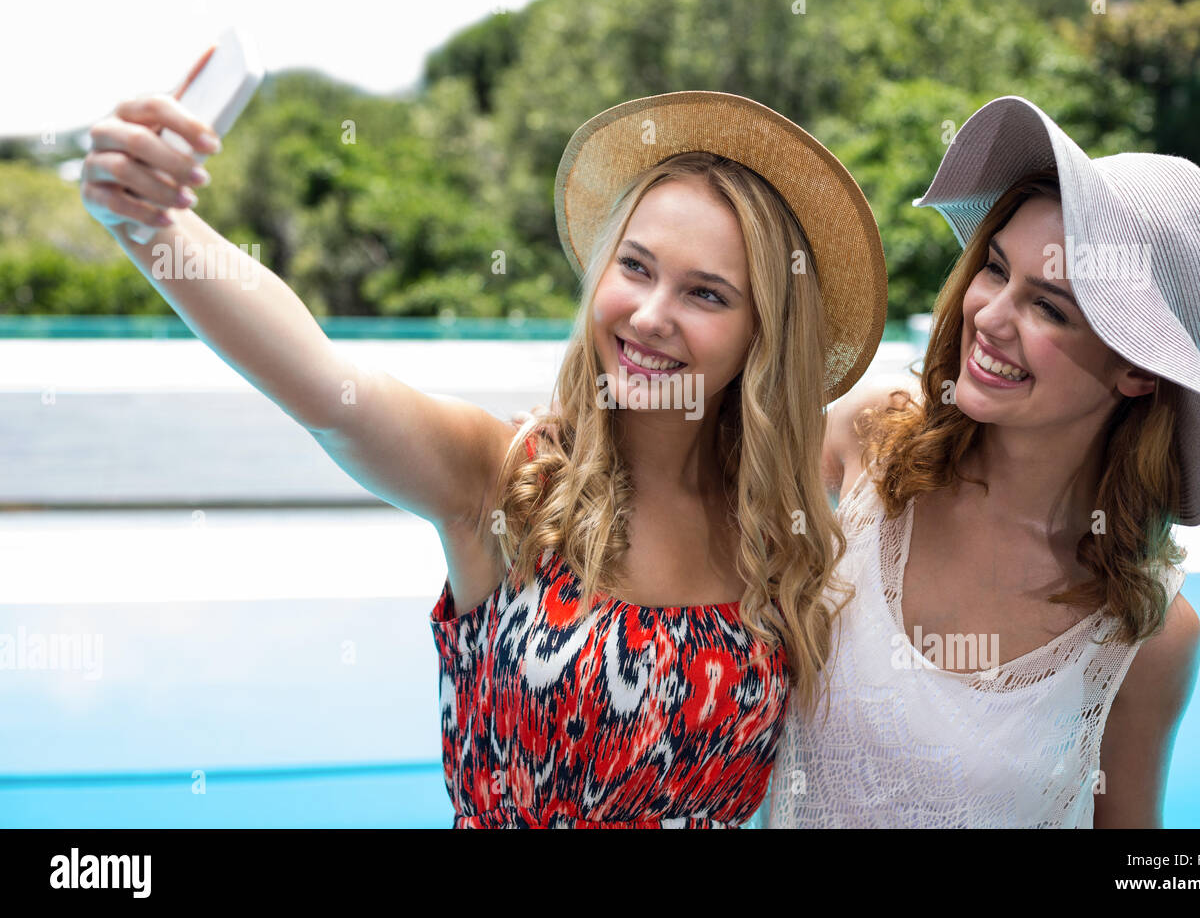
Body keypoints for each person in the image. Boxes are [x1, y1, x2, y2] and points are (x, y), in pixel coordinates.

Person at [79, 83, 890, 827]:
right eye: (634, 268)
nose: (648, 315)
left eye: (705, 293)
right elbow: (330, 389)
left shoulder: (770, 519)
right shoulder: (509, 480)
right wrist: (150, 224)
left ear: (764, 333)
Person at [767, 95, 1200, 828]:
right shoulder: (867, 440)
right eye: (995, 270)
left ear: (1139, 372)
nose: (987, 317)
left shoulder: (1145, 635)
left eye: (1050, 307)